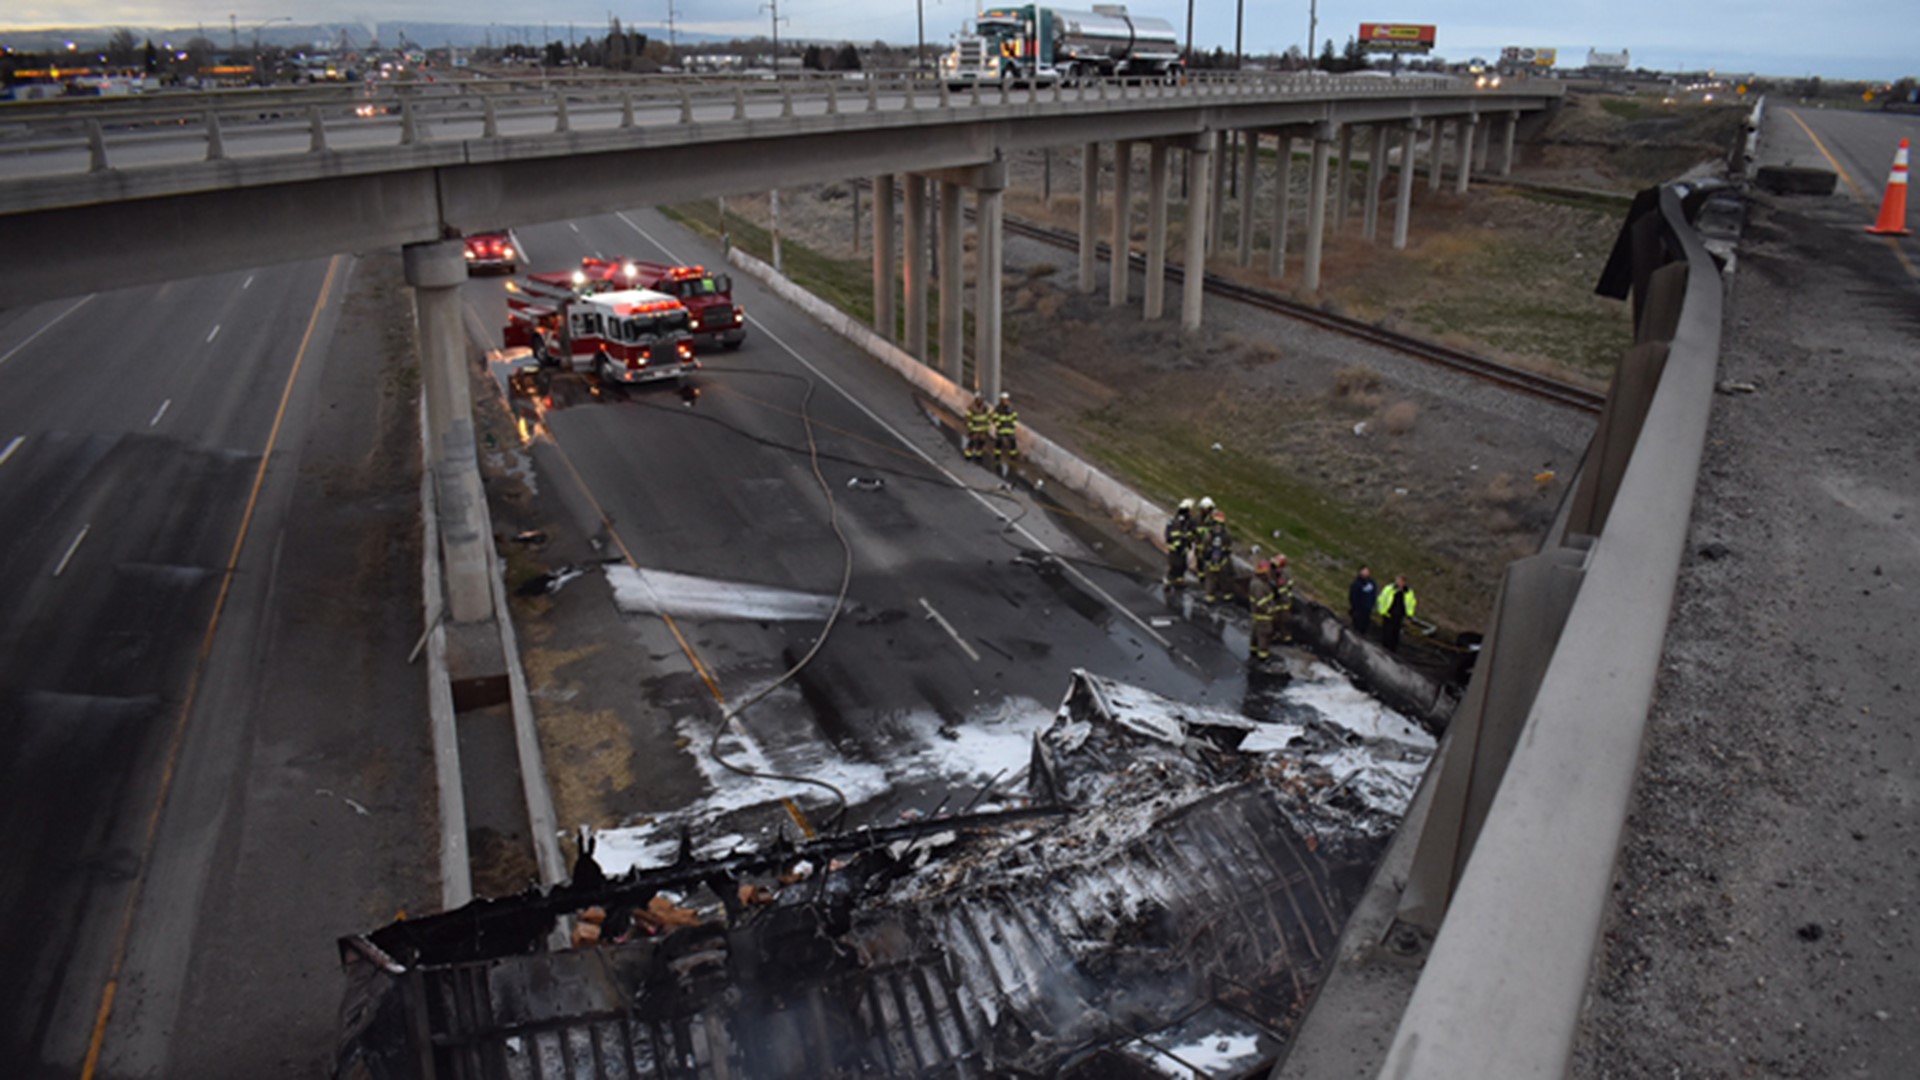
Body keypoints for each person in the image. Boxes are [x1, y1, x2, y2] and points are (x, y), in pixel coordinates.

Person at [1377, 574, 1417, 653]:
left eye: (1401, 581)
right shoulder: (1389, 589)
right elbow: (1381, 599)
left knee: (1395, 635)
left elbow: (1411, 604)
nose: (1399, 582)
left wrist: (1409, 615)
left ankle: (1392, 651)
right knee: (1386, 634)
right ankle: (1384, 650)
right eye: (1398, 580)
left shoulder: (1408, 592)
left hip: (1399, 617)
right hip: (1388, 615)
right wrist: (1382, 611)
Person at [1164, 498, 1196, 586]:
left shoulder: (1187, 521)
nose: (1192, 512)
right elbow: (1174, 535)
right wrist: (1179, 545)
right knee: (1175, 565)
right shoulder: (1178, 521)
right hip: (1176, 548)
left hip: (1182, 548)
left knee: (1182, 566)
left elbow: (1190, 532)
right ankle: (1168, 582)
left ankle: (1178, 581)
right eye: (1190, 510)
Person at [1201, 508, 1231, 603]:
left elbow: (1204, 547)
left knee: (1210, 579)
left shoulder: (1208, 534)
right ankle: (1227, 595)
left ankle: (1209, 596)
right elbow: (1228, 547)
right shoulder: (1227, 534)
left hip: (1210, 562)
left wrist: (1203, 556)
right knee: (1224, 578)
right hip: (1222, 562)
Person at [1248, 560, 1276, 660]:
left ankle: (1254, 652)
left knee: (1256, 634)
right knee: (1264, 635)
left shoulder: (1258, 582)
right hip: (1263, 616)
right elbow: (1260, 603)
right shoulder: (1259, 585)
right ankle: (1263, 657)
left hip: (1258, 616)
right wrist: (1270, 610)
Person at [991, 392, 1020, 475]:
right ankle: (997, 456)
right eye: (1004, 400)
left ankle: (1013, 456)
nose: (1006, 401)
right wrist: (999, 425)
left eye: (1007, 400)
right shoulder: (998, 409)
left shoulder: (1011, 408)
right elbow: (995, 419)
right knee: (999, 443)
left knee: (1012, 443)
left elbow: (1015, 417)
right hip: (1001, 429)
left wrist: (1013, 425)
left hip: (1009, 429)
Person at [1272, 555, 1295, 644]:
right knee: (1278, 620)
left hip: (1283, 601)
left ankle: (1286, 638)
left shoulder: (1284, 574)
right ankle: (1281, 636)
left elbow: (1286, 586)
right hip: (1280, 600)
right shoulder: (1277, 572)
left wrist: (1278, 591)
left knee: (1283, 620)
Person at [1348, 566, 1377, 636]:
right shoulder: (1357, 583)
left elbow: (1374, 594)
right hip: (1358, 610)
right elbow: (1353, 596)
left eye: (1367, 571)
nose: (1366, 573)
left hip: (1367, 610)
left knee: (1364, 627)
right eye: (1364, 571)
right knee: (1357, 627)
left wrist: (1372, 605)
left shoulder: (1372, 583)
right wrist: (1355, 607)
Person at [963, 395, 992, 461]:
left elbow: (990, 416)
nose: (980, 401)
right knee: (972, 442)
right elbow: (967, 419)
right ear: (976, 400)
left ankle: (979, 455)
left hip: (983, 430)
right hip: (975, 430)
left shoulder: (985, 408)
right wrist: (970, 426)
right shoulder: (972, 408)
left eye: (981, 399)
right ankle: (968, 454)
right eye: (979, 399)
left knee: (981, 442)